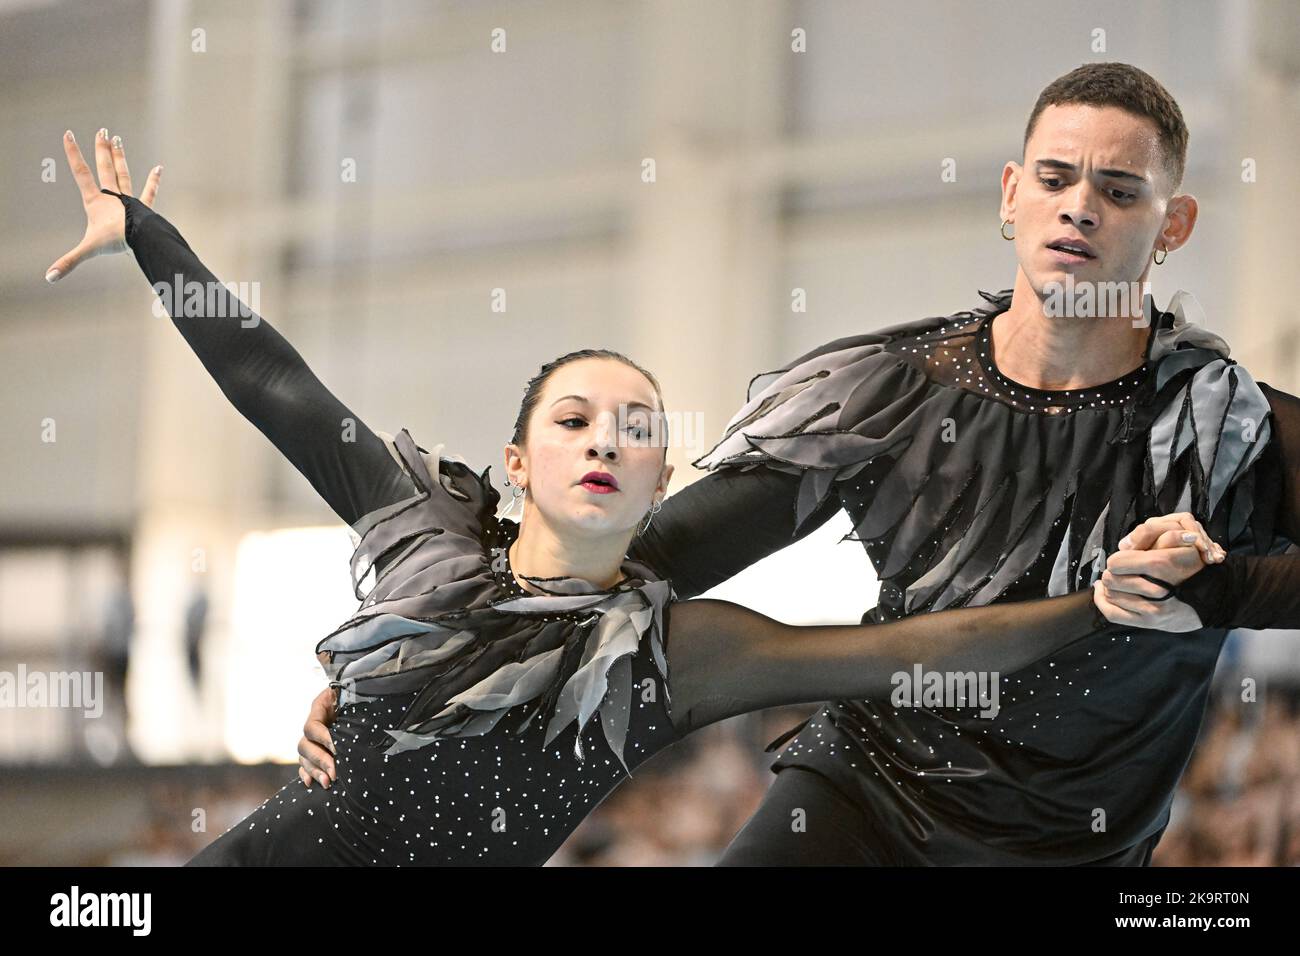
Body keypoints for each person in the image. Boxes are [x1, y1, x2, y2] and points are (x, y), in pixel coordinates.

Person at [45, 125, 1210, 866]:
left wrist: (1098, 608)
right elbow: (274, 384)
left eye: (638, 428)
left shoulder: (677, 654)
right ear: (515, 461)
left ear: (663, 475)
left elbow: (921, 648)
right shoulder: (423, 556)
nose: (606, 439)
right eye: (573, 420)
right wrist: (148, 236)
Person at [299, 62, 1300, 867]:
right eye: (1054, 177)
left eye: (1118, 190)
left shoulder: (1230, 429)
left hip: (1081, 843)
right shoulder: (894, 395)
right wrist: (428, 663)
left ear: (1172, 225)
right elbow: (655, 558)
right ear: (1010, 194)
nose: (1078, 207)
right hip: (866, 792)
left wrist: (1215, 587)